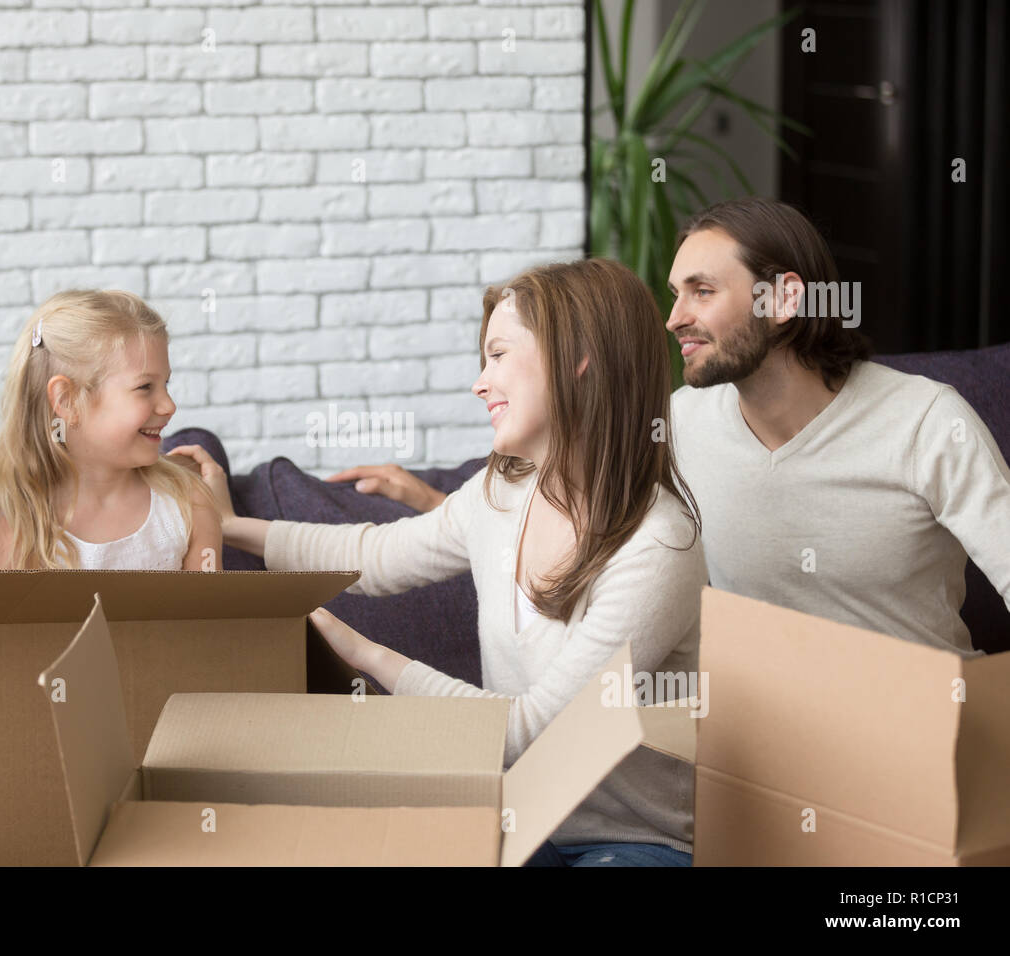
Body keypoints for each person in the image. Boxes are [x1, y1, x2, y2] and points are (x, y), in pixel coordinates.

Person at [172, 258, 708, 866]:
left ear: (578, 356)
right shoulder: (502, 491)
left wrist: (363, 652)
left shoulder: (656, 546)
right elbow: (371, 555)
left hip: (626, 843)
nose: (481, 383)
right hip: (516, 810)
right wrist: (230, 526)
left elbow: (528, 730)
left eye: (499, 356)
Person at [338, 198, 1010, 656]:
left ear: (783, 299)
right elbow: (582, 519)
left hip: (913, 742)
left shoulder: (927, 423)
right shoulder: (681, 424)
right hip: (755, 756)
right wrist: (439, 506)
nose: (673, 318)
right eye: (673, 294)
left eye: (702, 292)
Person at [0, 289, 220, 572]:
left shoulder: (189, 505)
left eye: (166, 384)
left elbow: (204, 615)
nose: (169, 405)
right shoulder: (24, 529)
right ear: (67, 401)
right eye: (145, 387)